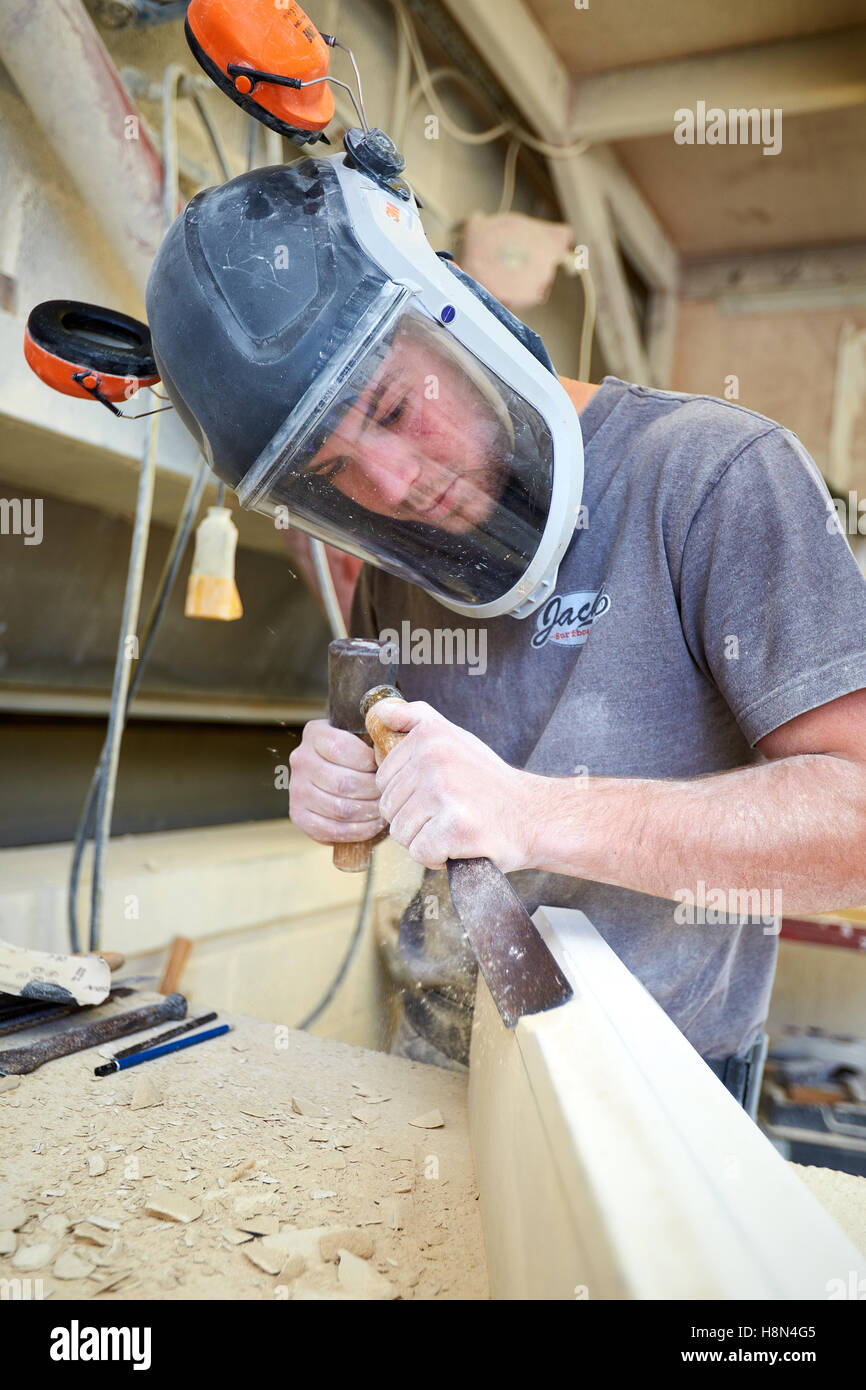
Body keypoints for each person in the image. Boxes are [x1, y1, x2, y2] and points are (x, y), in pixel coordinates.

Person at [145, 154, 866, 1116]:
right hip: (437, 1060)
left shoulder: (712, 476)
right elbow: (428, 784)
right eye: (340, 467)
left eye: (394, 410)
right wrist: (351, 788)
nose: (394, 486)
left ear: (455, 314)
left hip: (657, 1098)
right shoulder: (402, 555)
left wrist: (533, 813)